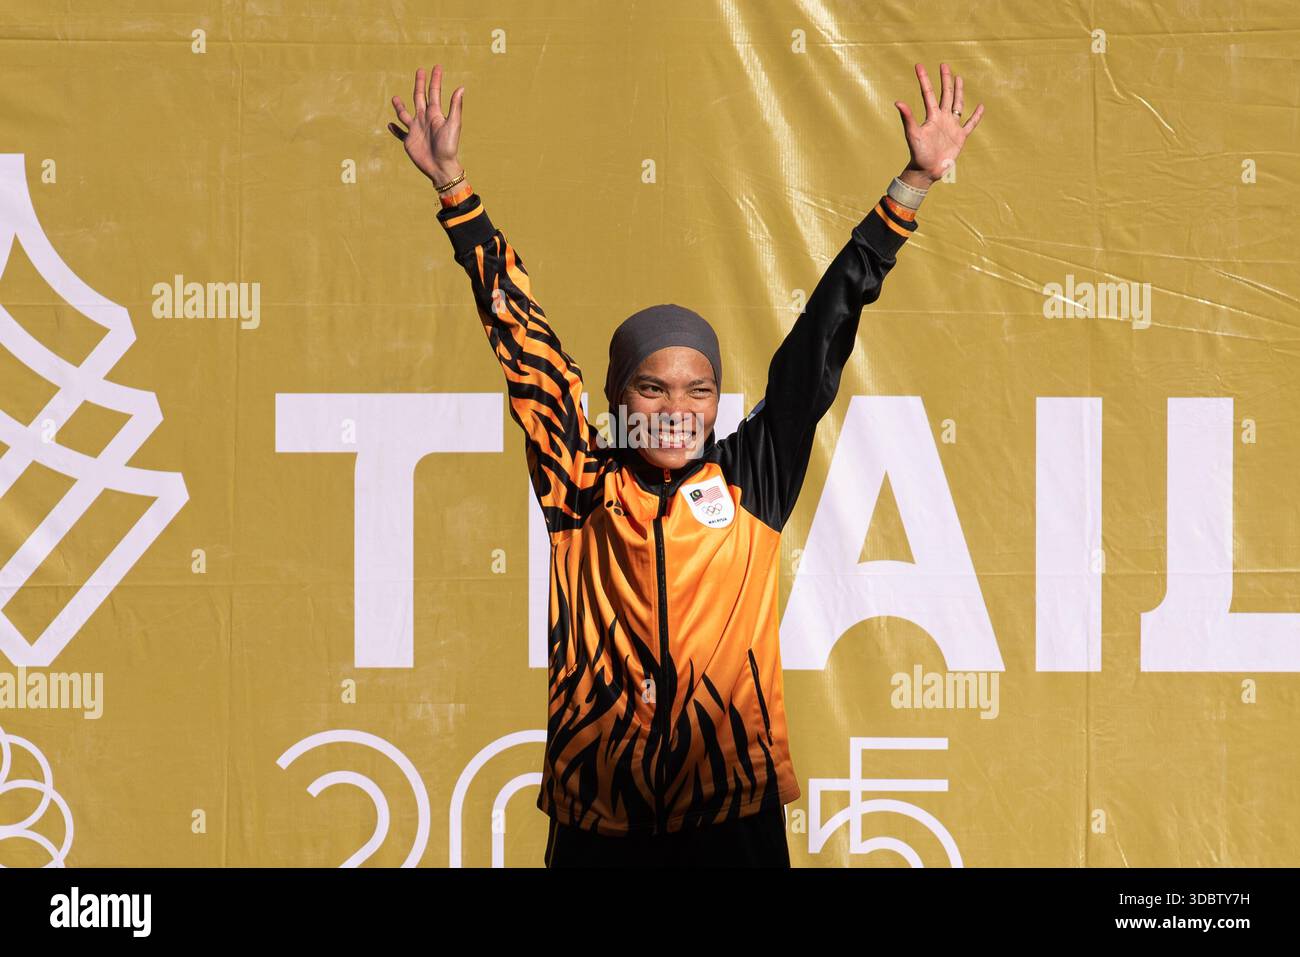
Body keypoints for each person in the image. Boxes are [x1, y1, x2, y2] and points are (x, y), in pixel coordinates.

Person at [388, 62, 983, 867]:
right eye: (653, 384)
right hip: (599, 826)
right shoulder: (579, 481)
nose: (677, 404)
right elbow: (521, 342)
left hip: (731, 822)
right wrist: (455, 193)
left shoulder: (752, 477)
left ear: (715, 401)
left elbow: (821, 339)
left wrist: (911, 185)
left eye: (699, 388)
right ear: (617, 395)